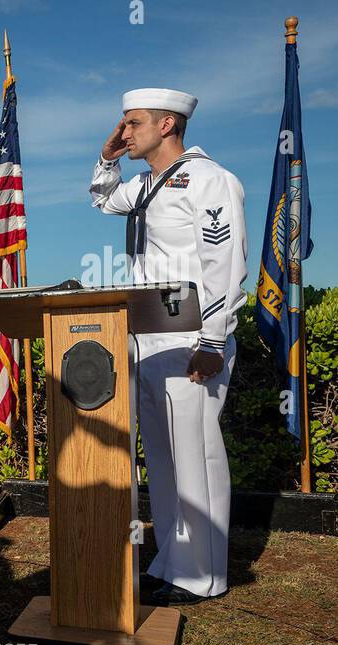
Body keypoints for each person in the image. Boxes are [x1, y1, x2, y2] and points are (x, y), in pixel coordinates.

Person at [90, 88, 247, 602]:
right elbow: (102, 199)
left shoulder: (210, 180)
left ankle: (204, 574)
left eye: (132, 123)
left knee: (195, 454)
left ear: (167, 125)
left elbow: (223, 263)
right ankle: (173, 559)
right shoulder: (144, 184)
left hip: (192, 338)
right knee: (162, 456)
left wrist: (213, 338)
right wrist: (107, 157)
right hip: (149, 338)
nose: (125, 131)